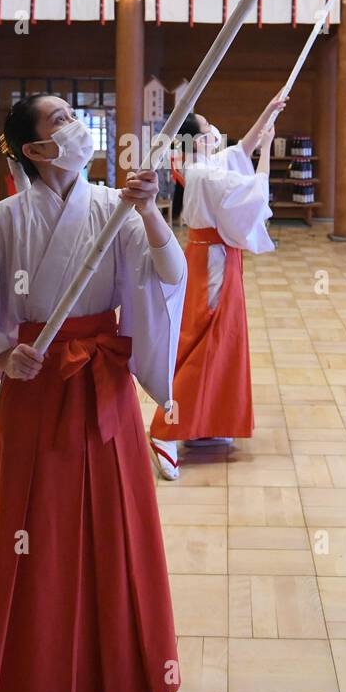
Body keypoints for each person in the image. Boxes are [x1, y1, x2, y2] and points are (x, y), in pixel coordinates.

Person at [0, 93, 201, 692]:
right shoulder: (1, 224)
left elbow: (171, 274)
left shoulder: (116, 208)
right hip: (33, 395)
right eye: (60, 121)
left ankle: (148, 686)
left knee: (123, 537)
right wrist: (0, 352)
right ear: (33, 150)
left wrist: (145, 213)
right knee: (38, 547)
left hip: (101, 389)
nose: (77, 128)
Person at [148, 93, 287, 481]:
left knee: (218, 339)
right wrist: (267, 154)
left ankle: (206, 421)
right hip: (212, 262)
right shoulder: (204, 173)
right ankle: (166, 430)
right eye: (208, 131)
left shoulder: (204, 164)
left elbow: (241, 148)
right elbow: (254, 193)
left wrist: (268, 111)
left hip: (215, 258)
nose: (215, 134)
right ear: (195, 141)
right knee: (207, 341)